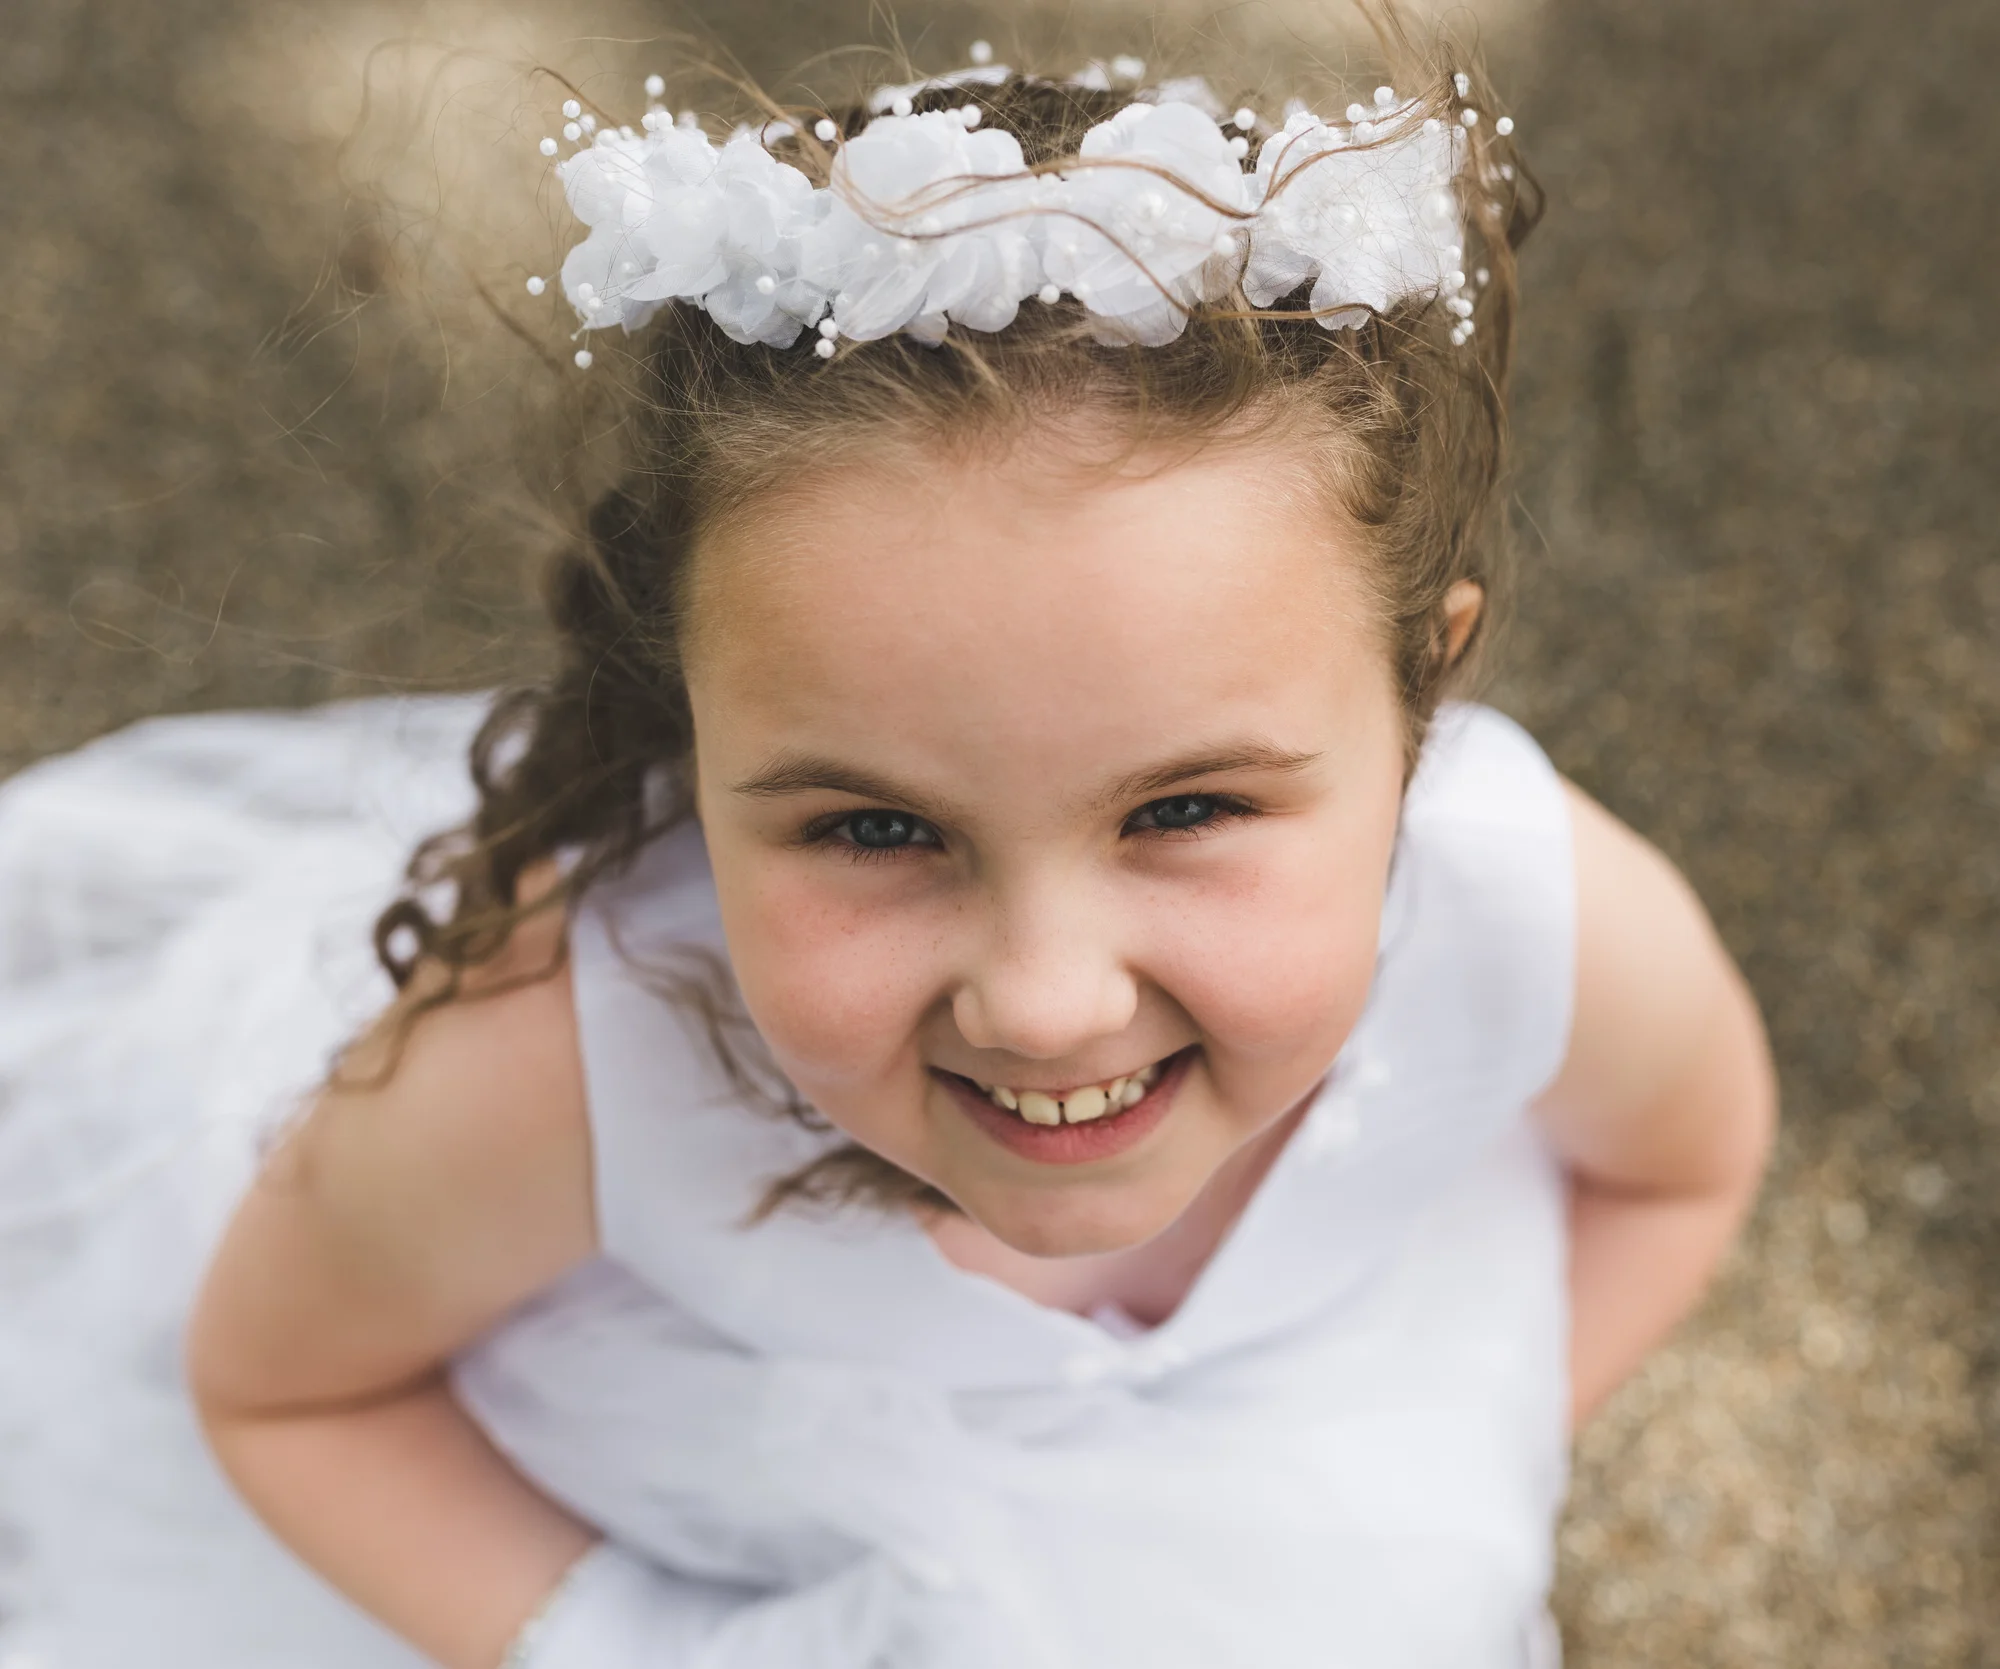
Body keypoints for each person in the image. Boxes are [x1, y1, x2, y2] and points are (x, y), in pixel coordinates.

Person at [0, 37, 1775, 1669]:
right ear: (693, 745)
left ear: (1422, 709)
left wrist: (1432, 1488)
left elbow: (1683, 1169)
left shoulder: (1540, 919)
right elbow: (287, 1395)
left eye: (1185, 810)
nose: (1048, 1001)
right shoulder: (566, 1059)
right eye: (874, 827)